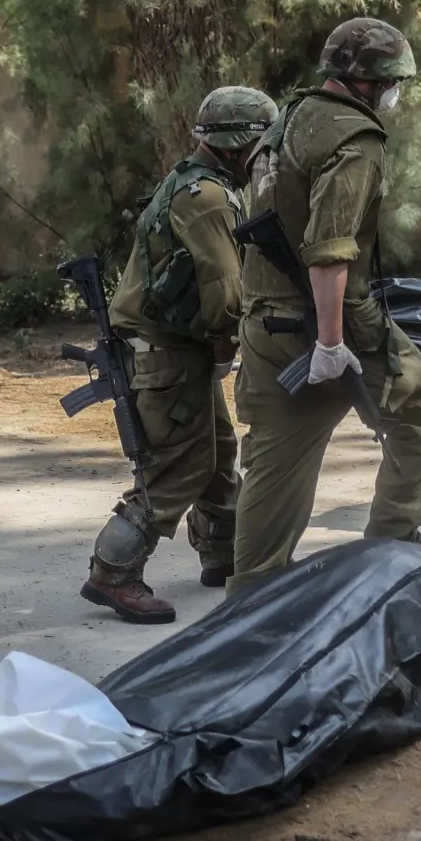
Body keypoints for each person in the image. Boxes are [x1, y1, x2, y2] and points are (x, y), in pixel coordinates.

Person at [232, 17, 421, 583]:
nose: (397, 93)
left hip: (264, 321)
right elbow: (329, 251)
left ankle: (250, 600)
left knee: (275, 465)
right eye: (396, 81)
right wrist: (331, 342)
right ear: (375, 82)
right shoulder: (356, 138)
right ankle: (387, 559)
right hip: (327, 322)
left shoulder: (286, 121)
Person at [81, 86, 279, 624]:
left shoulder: (194, 183)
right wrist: (232, 343)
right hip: (166, 354)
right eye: (260, 146)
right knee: (176, 467)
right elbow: (225, 291)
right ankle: (112, 573)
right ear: (238, 145)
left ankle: (224, 554)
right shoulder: (209, 198)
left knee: (215, 451)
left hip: (175, 348)